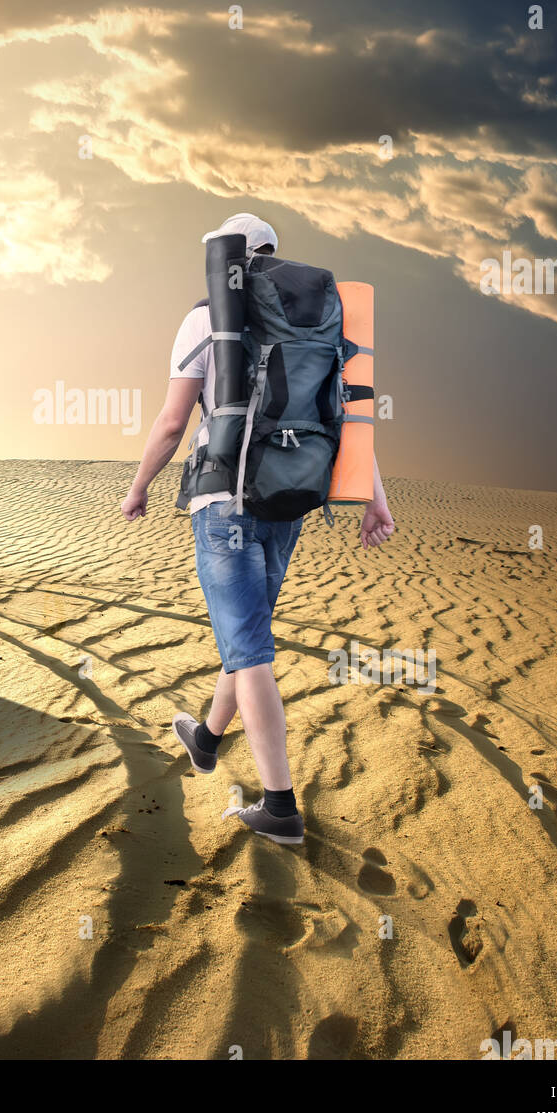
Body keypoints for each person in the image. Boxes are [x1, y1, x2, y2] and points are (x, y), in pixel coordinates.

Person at [120, 213, 395, 846]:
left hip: (225, 501)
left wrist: (138, 489)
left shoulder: (206, 317)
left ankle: (279, 807)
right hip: (289, 498)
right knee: (247, 634)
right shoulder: (319, 319)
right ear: (272, 253)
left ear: (224, 258)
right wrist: (376, 500)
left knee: (249, 651)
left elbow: (171, 422)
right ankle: (209, 740)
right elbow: (348, 414)